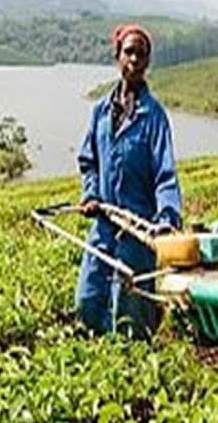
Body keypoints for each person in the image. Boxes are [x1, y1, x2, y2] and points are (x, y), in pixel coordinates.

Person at [75, 23, 183, 339]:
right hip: (105, 225)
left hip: (137, 232)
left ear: (148, 62)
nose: (134, 59)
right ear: (117, 56)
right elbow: (89, 160)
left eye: (142, 54)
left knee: (130, 313)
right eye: (129, 52)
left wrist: (166, 219)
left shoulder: (155, 116)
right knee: (88, 299)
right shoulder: (100, 112)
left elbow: (166, 174)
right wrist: (91, 194)